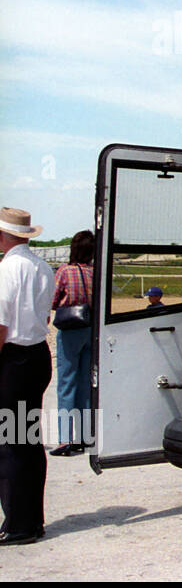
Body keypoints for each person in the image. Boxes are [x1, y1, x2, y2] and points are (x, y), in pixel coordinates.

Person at [0, 207, 56, 545]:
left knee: (11, 444)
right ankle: (32, 518)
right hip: (37, 354)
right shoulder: (42, 266)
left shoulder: (8, 269)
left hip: (15, 359)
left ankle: (19, 523)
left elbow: (2, 324)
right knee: (29, 441)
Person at [50, 231, 94, 456]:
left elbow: (54, 299)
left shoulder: (65, 271)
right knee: (86, 384)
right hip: (90, 329)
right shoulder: (95, 273)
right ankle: (86, 436)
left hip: (70, 331)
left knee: (67, 384)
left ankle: (65, 439)